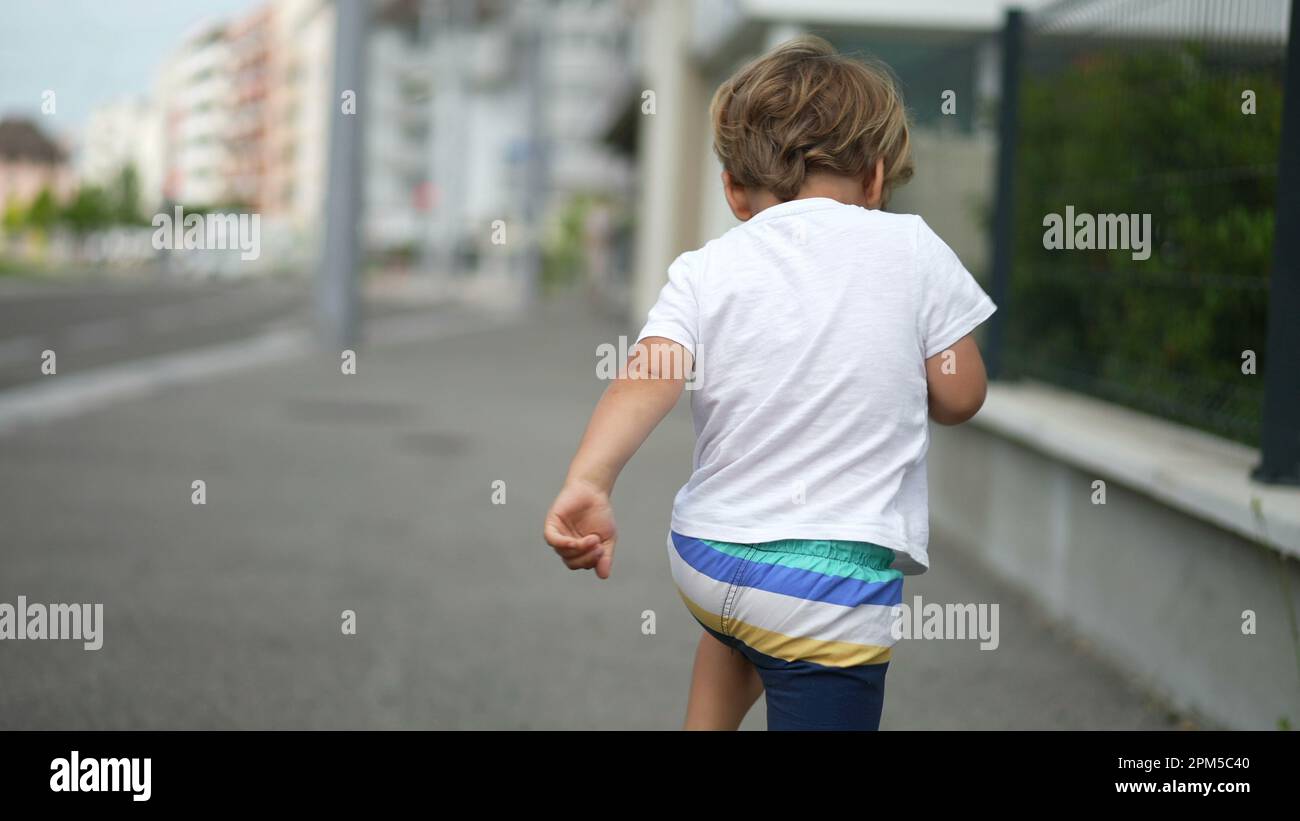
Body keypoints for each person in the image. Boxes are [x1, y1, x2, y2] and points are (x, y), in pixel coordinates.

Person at [543, 35, 996, 730]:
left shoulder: (706, 267)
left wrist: (589, 482)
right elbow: (962, 395)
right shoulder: (911, 248)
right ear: (875, 179)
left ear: (734, 192)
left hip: (708, 557)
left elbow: (646, 377)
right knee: (787, 627)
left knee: (744, 629)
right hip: (825, 590)